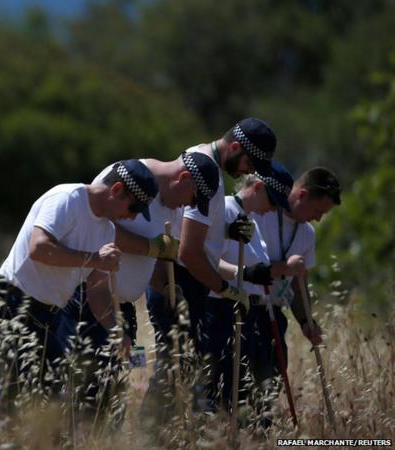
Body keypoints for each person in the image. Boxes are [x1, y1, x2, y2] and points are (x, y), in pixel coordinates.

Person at [0, 160, 158, 415]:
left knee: (51, 410)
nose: (133, 217)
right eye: (134, 207)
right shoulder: (67, 199)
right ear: (116, 189)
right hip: (11, 306)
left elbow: (97, 291)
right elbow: (39, 248)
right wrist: (95, 259)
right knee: (16, 404)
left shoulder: (106, 231)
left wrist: (117, 331)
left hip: (47, 318)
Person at [57, 152, 220, 426]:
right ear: (183, 178)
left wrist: (166, 286)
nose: (188, 207)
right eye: (192, 199)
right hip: (91, 302)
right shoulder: (130, 177)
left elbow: (151, 262)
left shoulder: (171, 209)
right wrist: (150, 247)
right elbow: (98, 226)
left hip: (123, 308)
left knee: (111, 395)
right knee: (84, 393)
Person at [139, 117, 278, 427]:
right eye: (249, 163)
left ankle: (166, 435)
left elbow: (189, 230)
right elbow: (189, 252)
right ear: (235, 147)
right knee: (176, 365)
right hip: (182, 280)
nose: (247, 173)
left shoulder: (199, 155)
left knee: (181, 366)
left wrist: (225, 231)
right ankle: (150, 434)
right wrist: (225, 288)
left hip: (186, 277)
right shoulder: (208, 176)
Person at [242, 166, 342, 426]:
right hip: (247, 307)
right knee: (251, 378)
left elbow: (299, 284)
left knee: (275, 375)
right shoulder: (262, 212)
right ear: (302, 195)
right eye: (318, 211)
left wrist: (307, 322)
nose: (317, 219)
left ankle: (260, 433)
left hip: (276, 311)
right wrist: (284, 267)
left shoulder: (307, 234)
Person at [200, 161, 302, 416]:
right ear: (257, 188)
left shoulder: (251, 222)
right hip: (222, 308)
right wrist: (244, 273)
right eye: (273, 201)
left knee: (242, 389)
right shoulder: (225, 210)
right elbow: (208, 259)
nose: (274, 209)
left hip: (247, 312)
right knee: (219, 386)